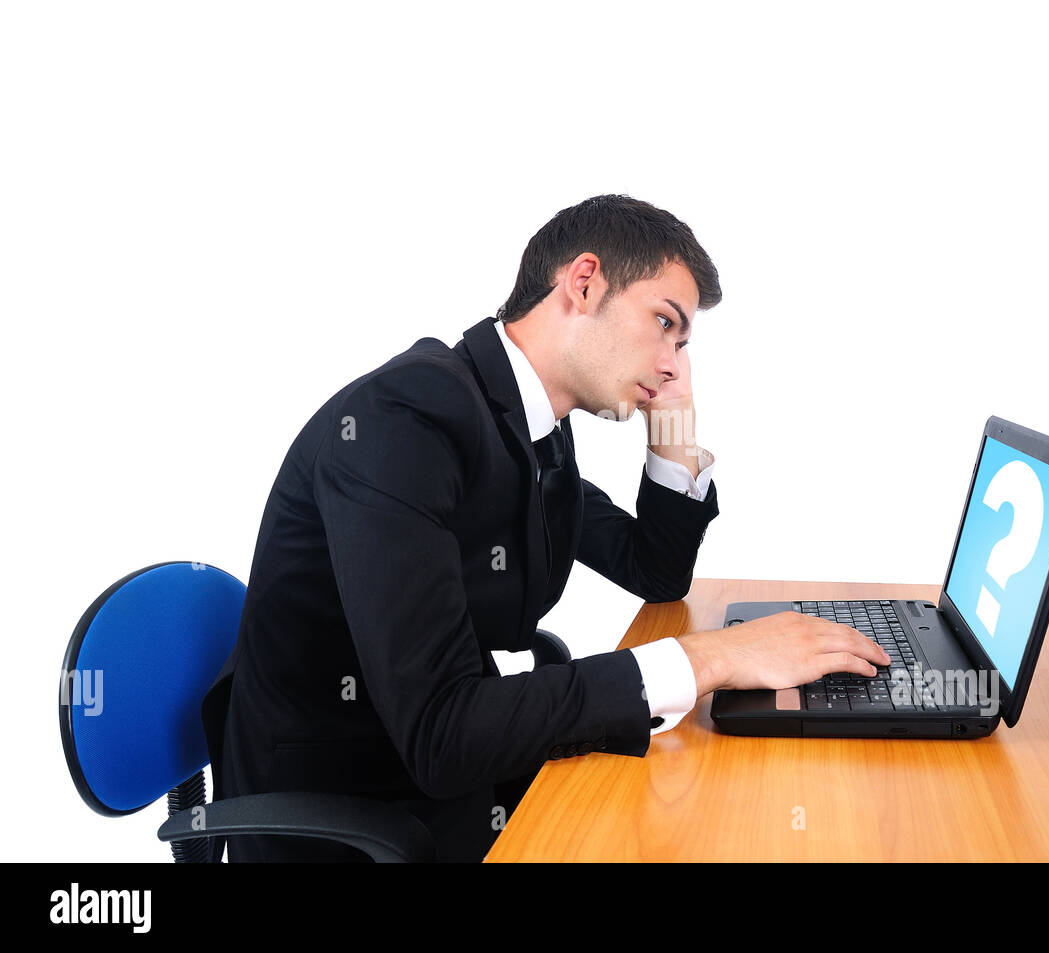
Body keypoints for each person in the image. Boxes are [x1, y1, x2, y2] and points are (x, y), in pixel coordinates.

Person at [201, 194, 889, 862]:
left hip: (446, 767)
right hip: (355, 810)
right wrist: (714, 658)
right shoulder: (405, 419)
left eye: (684, 342)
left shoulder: (535, 429)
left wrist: (674, 416)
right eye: (663, 321)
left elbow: (655, 569)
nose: (674, 360)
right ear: (584, 282)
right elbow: (442, 733)